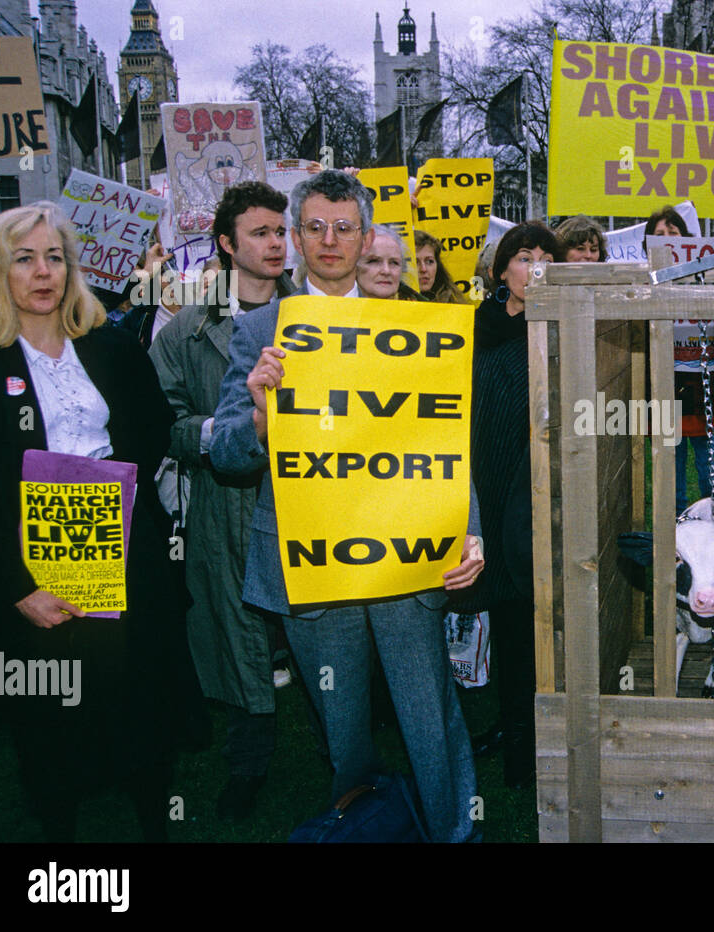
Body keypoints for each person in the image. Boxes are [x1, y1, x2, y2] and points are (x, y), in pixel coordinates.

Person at [209, 170, 485, 841]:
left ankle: (456, 830)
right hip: (313, 561)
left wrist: (467, 534)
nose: (330, 240)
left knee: (428, 711)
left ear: (366, 238)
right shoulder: (259, 330)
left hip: (405, 549)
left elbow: (444, 438)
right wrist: (260, 415)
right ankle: (361, 825)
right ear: (296, 237)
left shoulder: (409, 323)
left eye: (345, 226)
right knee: (341, 715)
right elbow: (223, 453)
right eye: (315, 226)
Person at [0, 202, 201, 841]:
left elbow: (152, 429)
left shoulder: (106, 345)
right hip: (26, 560)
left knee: (138, 688)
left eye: (55, 257)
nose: (43, 272)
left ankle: (154, 810)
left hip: (127, 552)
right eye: (24, 259)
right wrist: (14, 584)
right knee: (49, 705)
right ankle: (59, 827)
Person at [149, 180, 297, 822]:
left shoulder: (316, 317)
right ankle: (249, 764)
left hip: (307, 496)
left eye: (279, 230)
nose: (275, 243)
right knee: (240, 637)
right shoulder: (187, 329)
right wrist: (220, 434)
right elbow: (160, 421)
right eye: (260, 232)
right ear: (226, 245)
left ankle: (345, 751)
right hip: (226, 501)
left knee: (313, 630)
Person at [456, 220, 558, 788]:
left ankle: (527, 739)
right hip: (478, 486)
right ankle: (505, 719)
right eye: (524, 257)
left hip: (532, 491)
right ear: (501, 270)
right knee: (492, 604)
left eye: (547, 256)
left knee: (525, 617)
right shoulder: (470, 329)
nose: (536, 266)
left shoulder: (565, 330)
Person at [641, 210, 714, 513]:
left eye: (672, 233)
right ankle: (674, 542)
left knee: (711, 472)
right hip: (664, 388)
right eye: (658, 235)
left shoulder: (712, 278)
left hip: (707, 386)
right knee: (669, 474)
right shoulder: (640, 281)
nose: (666, 241)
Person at [357, 224, 421, 300]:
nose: (386, 271)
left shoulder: (424, 311)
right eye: (374, 261)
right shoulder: (339, 309)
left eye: (394, 263)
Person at [413, 229, 470, 304]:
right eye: (415, 262)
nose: (423, 269)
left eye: (429, 261)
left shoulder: (455, 304)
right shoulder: (393, 305)